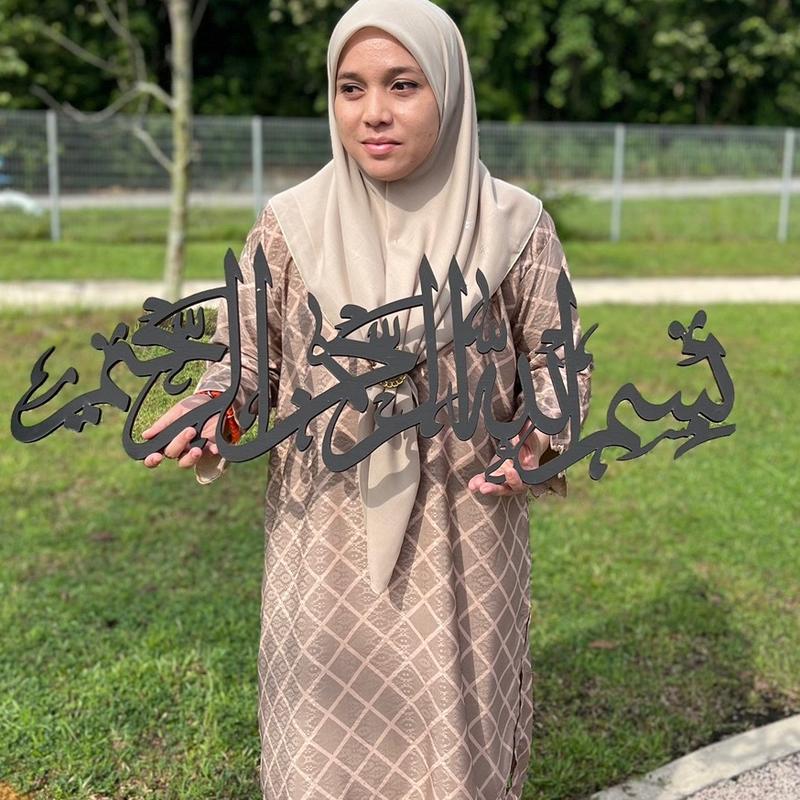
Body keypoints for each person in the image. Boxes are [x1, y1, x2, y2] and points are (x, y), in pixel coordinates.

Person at [142, 0, 592, 797]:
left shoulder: (515, 226)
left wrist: (541, 429)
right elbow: (244, 357)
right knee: (321, 753)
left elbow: (557, 354)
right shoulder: (289, 227)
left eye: (402, 85)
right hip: (325, 537)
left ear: (449, 91)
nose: (373, 113)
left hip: (463, 537)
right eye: (351, 88)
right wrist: (218, 405)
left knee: (452, 751)